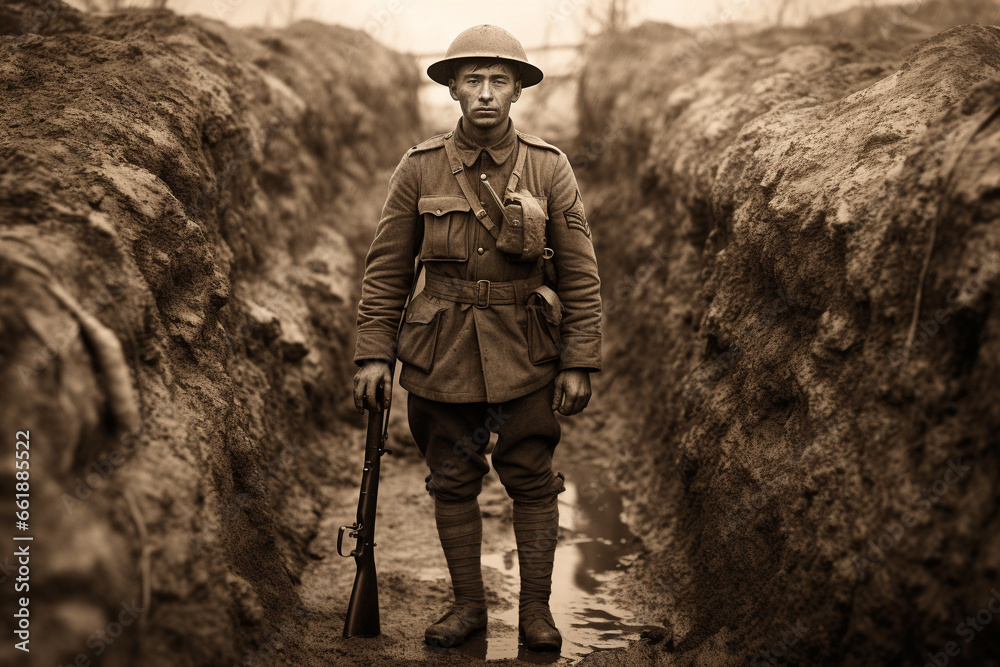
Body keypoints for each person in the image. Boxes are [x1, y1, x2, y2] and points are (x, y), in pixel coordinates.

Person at [352, 24, 602, 653]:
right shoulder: (419, 168)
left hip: (527, 352)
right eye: (473, 81)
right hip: (441, 352)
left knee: (532, 476)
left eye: (499, 80)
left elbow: (580, 270)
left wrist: (580, 361)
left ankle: (537, 614)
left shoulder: (550, 167)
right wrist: (374, 354)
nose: (486, 93)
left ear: (517, 90)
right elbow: (387, 268)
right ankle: (468, 606)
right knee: (452, 480)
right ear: (454, 90)